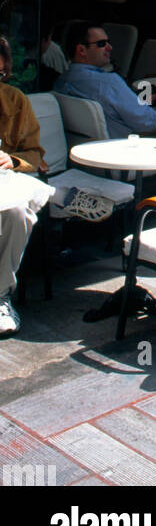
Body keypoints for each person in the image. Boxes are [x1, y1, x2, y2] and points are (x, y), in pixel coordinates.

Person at [0, 37, 51, 335]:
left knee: (19, 213)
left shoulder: (15, 100)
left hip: (5, 183)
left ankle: (1, 294)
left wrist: (13, 161)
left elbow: (35, 153)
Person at [54, 23, 156, 138]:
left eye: (108, 42)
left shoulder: (61, 81)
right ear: (81, 50)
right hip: (122, 147)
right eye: (102, 44)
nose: (110, 48)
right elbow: (146, 122)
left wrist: (135, 102)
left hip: (80, 148)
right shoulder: (108, 82)